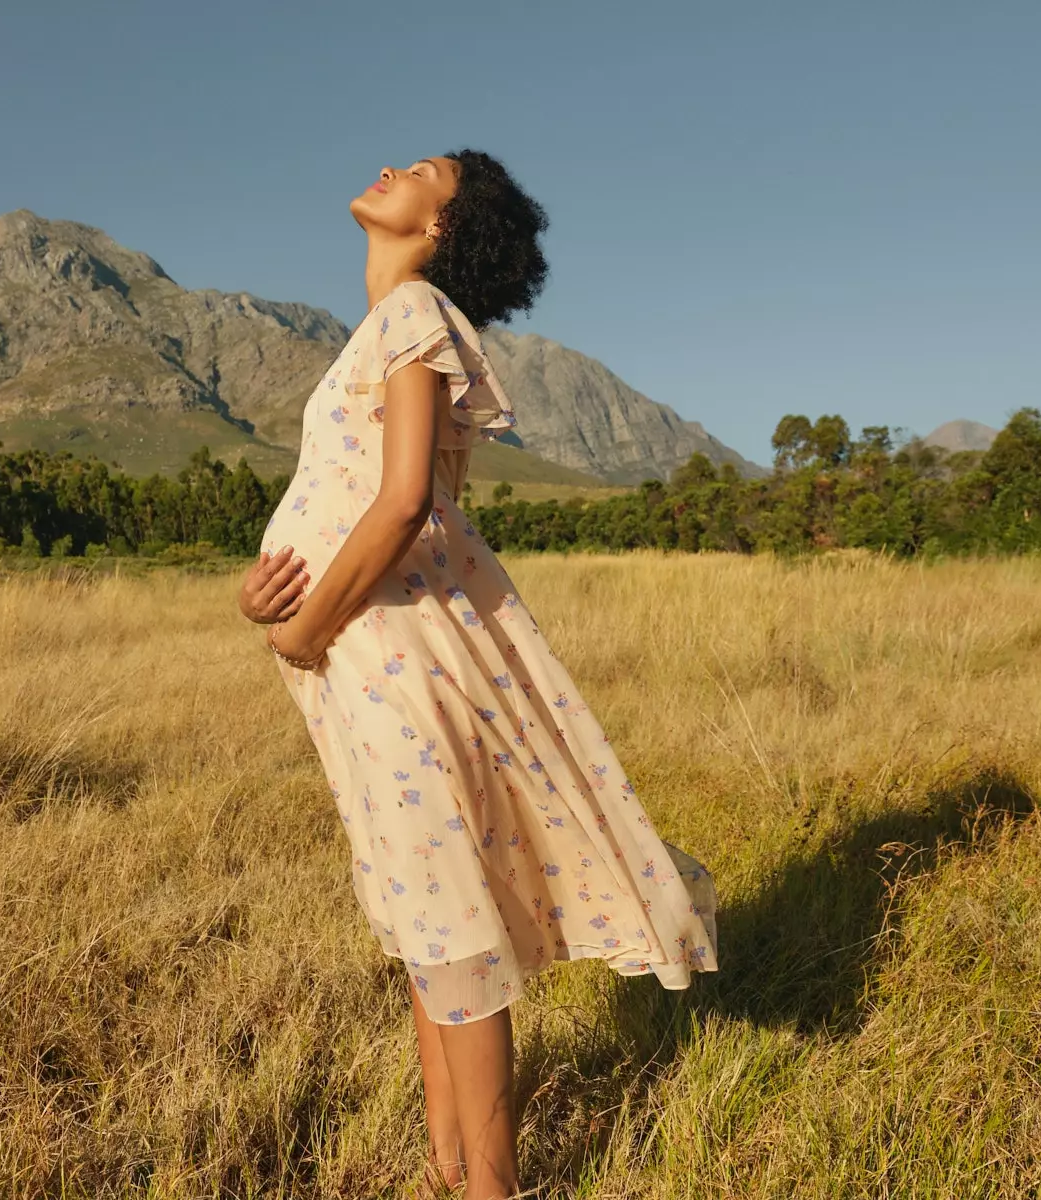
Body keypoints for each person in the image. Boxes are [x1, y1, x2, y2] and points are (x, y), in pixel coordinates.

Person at [237, 150, 718, 1200]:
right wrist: (271, 598)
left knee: (446, 927)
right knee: (426, 923)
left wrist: (301, 630)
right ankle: (448, 1175)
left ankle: (486, 1188)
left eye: (421, 170)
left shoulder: (411, 313)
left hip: (383, 651)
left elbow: (405, 501)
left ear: (441, 228)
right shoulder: (389, 325)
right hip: (363, 645)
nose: (388, 167)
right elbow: (369, 500)